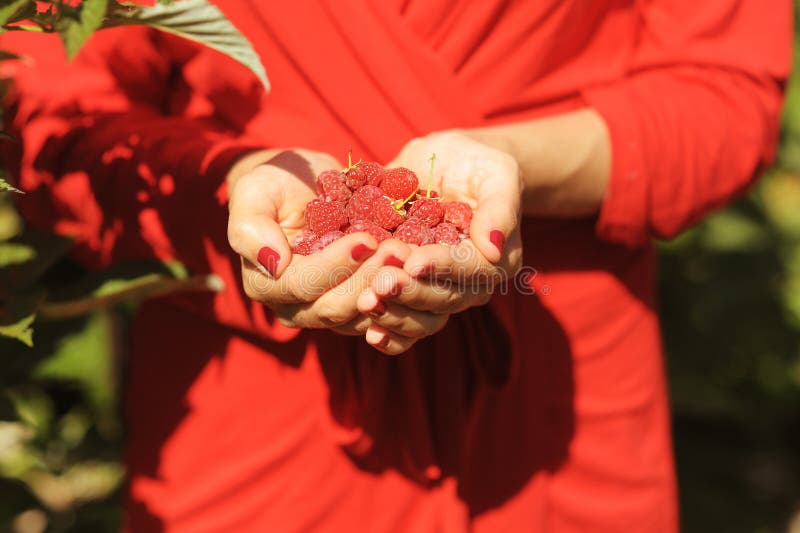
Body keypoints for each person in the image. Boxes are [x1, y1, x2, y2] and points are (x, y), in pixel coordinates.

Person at [4, 1, 790, 531]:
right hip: (255, 411)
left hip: (556, 389)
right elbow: (48, 108)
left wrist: (514, 161)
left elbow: (721, 92)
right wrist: (237, 186)